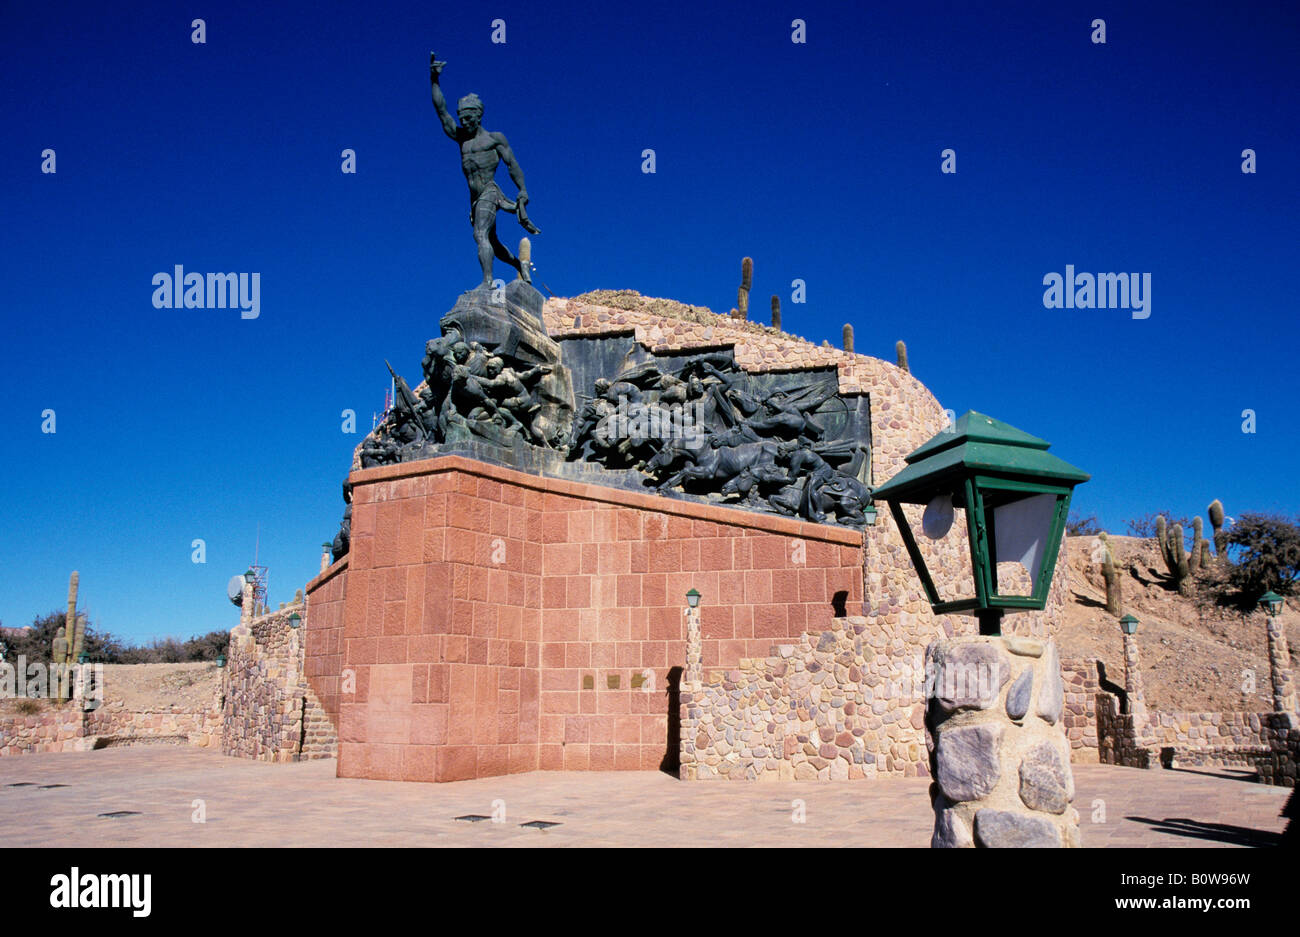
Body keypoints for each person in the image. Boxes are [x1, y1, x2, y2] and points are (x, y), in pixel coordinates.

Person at [430, 54, 537, 287]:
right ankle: (520, 265)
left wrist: (523, 190)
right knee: (492, 242)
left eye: (468, 117)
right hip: (475, 198)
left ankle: (487, 282)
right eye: (461, 117)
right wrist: (434, 80)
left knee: (480, 235)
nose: (464, 122)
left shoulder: (494, 139)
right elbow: (441, 112)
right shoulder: (461, 139)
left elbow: (512, 164)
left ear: (478, 116)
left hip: (490, 190)